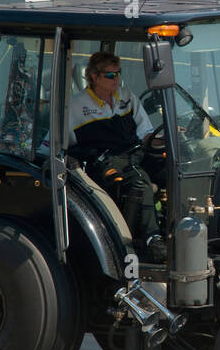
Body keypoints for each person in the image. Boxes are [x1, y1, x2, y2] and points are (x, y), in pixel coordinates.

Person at [69, 52, 164, 260]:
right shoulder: (75, 106)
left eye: (118, 74)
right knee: (140, 182)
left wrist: (167, 140)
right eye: (111, 75)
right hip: (103, 163)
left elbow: (146, 135)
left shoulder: (128, 97)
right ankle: (152, 239)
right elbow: (57, 142)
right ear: (94, 76)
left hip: (134, 156)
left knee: (169, 170)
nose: (117, 79)